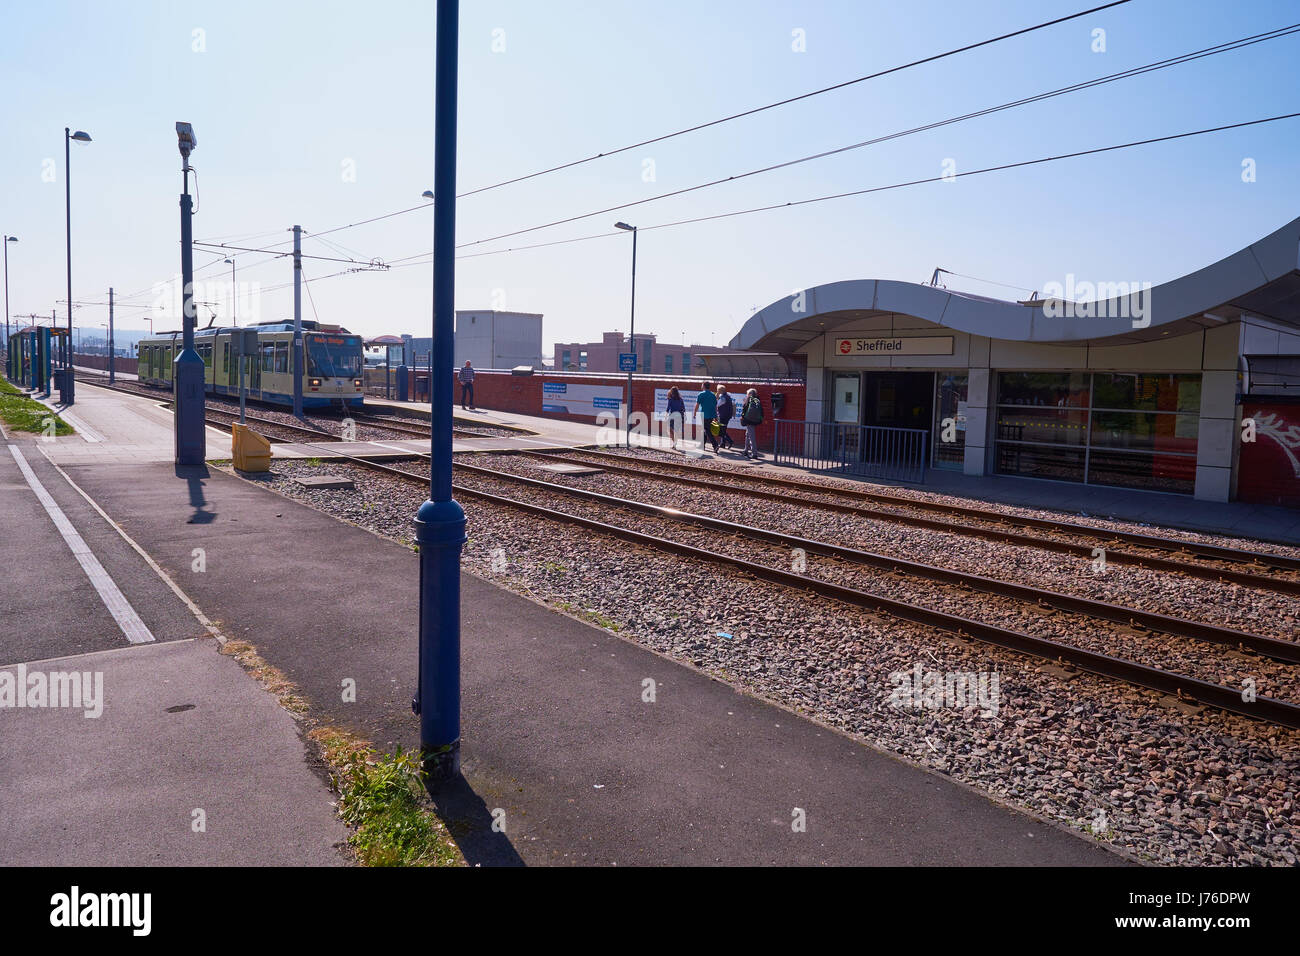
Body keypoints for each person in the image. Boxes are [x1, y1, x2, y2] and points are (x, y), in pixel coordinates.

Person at [694, 381, 719, 451]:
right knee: (705, 430)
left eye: (702, 385)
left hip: (703, 415)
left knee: (707, 431)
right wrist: (716, 416)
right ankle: (702, 445)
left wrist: (695, 413)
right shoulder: (713, 395)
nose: (701, 386)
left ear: (704, 386)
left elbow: (697, 405)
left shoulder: (701, 394)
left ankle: (715, 445)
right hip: (711, 415)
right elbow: (715, 407)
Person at [741, 388, 763, 459]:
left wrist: (742, 417)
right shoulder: (757, 400)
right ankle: (746, 450)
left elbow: (744, 409)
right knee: (747, 435)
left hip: (749, 420)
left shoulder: (748, 399)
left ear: (750, 394)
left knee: (751, 437)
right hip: (755, 420)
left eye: (747, 394)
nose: (747, 395)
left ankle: (754, 453)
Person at [715, 385, 736, 449]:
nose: (717, 391)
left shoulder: (723, 397)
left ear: (720, 390)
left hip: (723, 415)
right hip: (727, 415)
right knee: (723, 429)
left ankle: (730, 441)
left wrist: (716, 396)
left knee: (721, 430)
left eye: (718, 390)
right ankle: (723, 443)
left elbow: (717, 404)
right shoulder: (727, 396)